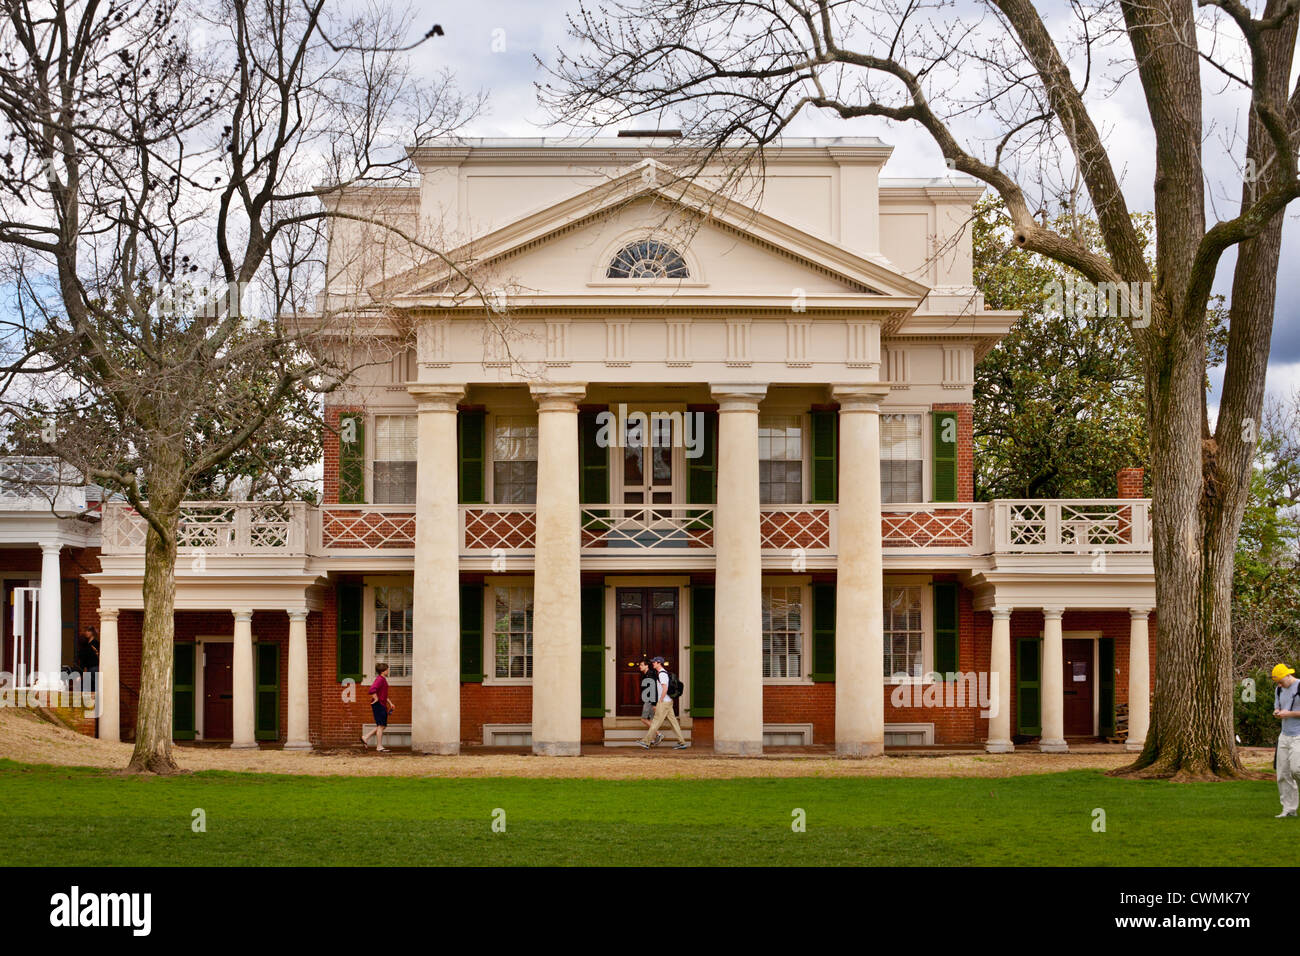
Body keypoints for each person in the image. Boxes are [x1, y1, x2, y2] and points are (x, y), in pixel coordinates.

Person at [637, 656, 688, 750]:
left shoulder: (662, 674)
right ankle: (682, 742)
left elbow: (665, 688)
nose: (653, 664)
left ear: (659, 663)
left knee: (656, 722)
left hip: (664, 702)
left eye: (654, 662)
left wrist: (660, 700)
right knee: (674, 723)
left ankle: (646, 741)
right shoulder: (661, 673)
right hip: (668, 702)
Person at [1273, 662, 1300, 818]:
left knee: (1297, 769)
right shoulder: (1279, 690)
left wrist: (1288, 714)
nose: (1279, 684)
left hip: (1298, 735)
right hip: (1284, 735)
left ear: (1288, 675)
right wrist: (1277, 712)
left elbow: (1290, 712)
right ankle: (1289, 809)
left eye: (1281, 681)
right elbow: (1278, 706)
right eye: (1277, 682)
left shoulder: (1299, 687)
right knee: (1282, 773)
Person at [361, 663, 395, 752]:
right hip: (379, 704)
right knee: (381, 726)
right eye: (387, 669)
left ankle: (366, 737)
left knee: (382, 725)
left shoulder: (382, 679)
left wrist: (390, 703)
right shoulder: (380, 679)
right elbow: (372, 689)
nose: (388, 671)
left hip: (382, 704)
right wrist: (376, 698)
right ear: (383, 671)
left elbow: (383, 694)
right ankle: (379, 746)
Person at [637, 660, 662, 744]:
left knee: (644, 719)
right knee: (651, 721)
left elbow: (654, 689)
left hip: (649, 700)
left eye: (641, 665)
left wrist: (654, 703)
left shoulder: (650, 675)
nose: (640, 666)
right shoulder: (647, 675)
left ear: (647, 666)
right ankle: (650, 739)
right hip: (650, 700)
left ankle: (659, 734)